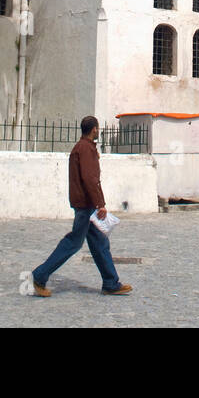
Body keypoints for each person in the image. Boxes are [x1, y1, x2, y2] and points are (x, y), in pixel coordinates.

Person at [31, 116, 133, 297]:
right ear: (94, 129)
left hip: (86, 205)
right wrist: (99, 204)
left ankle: (110, 282)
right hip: (86, 206)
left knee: (100, 243)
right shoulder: (85, 149)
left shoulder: (82, 148)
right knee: (73, 243)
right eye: (98, 128)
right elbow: (89, 179)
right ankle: (40, 275)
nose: (98, 131)